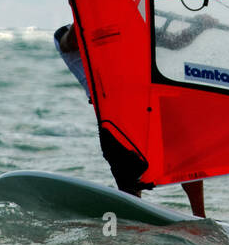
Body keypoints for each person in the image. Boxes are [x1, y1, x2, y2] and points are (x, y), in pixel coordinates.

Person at [53, 22, 205, 217]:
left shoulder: (127, 22)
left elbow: (175, 42)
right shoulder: (64, 34)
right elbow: (72, 42)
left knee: (186, 157)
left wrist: (200, 25)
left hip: (146, 106)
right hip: (114, 117)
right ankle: (134, 222)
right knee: (128, 180)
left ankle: (200, 217)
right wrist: (88, 2)